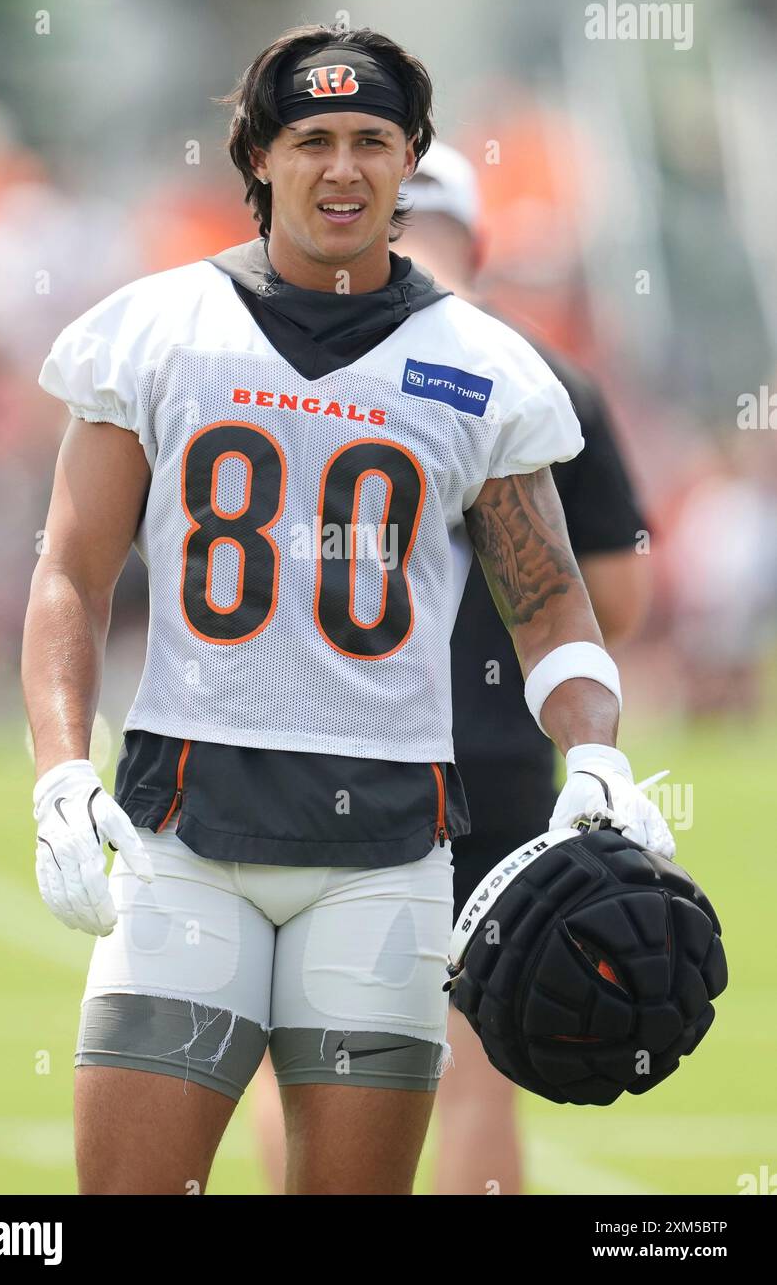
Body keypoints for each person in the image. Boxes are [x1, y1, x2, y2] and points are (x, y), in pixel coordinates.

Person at [22, 24, 673, 1197]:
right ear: (258, 158)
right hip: (183, 830)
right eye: (310, 138)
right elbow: (69, 572)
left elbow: (550, 604)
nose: (341, 166)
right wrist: (60, 771)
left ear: (409, 159)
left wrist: (594, 757)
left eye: (371, 139)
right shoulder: (159, 328)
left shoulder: (479, 363)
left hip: (385, 853)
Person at [249, 140, 652, 1194]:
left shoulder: (293, 356)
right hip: (497, 753)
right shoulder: (542, 372)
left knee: (295, 1054)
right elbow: (614, 600)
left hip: (318, 739)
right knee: (476, 1058)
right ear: (475, 234)